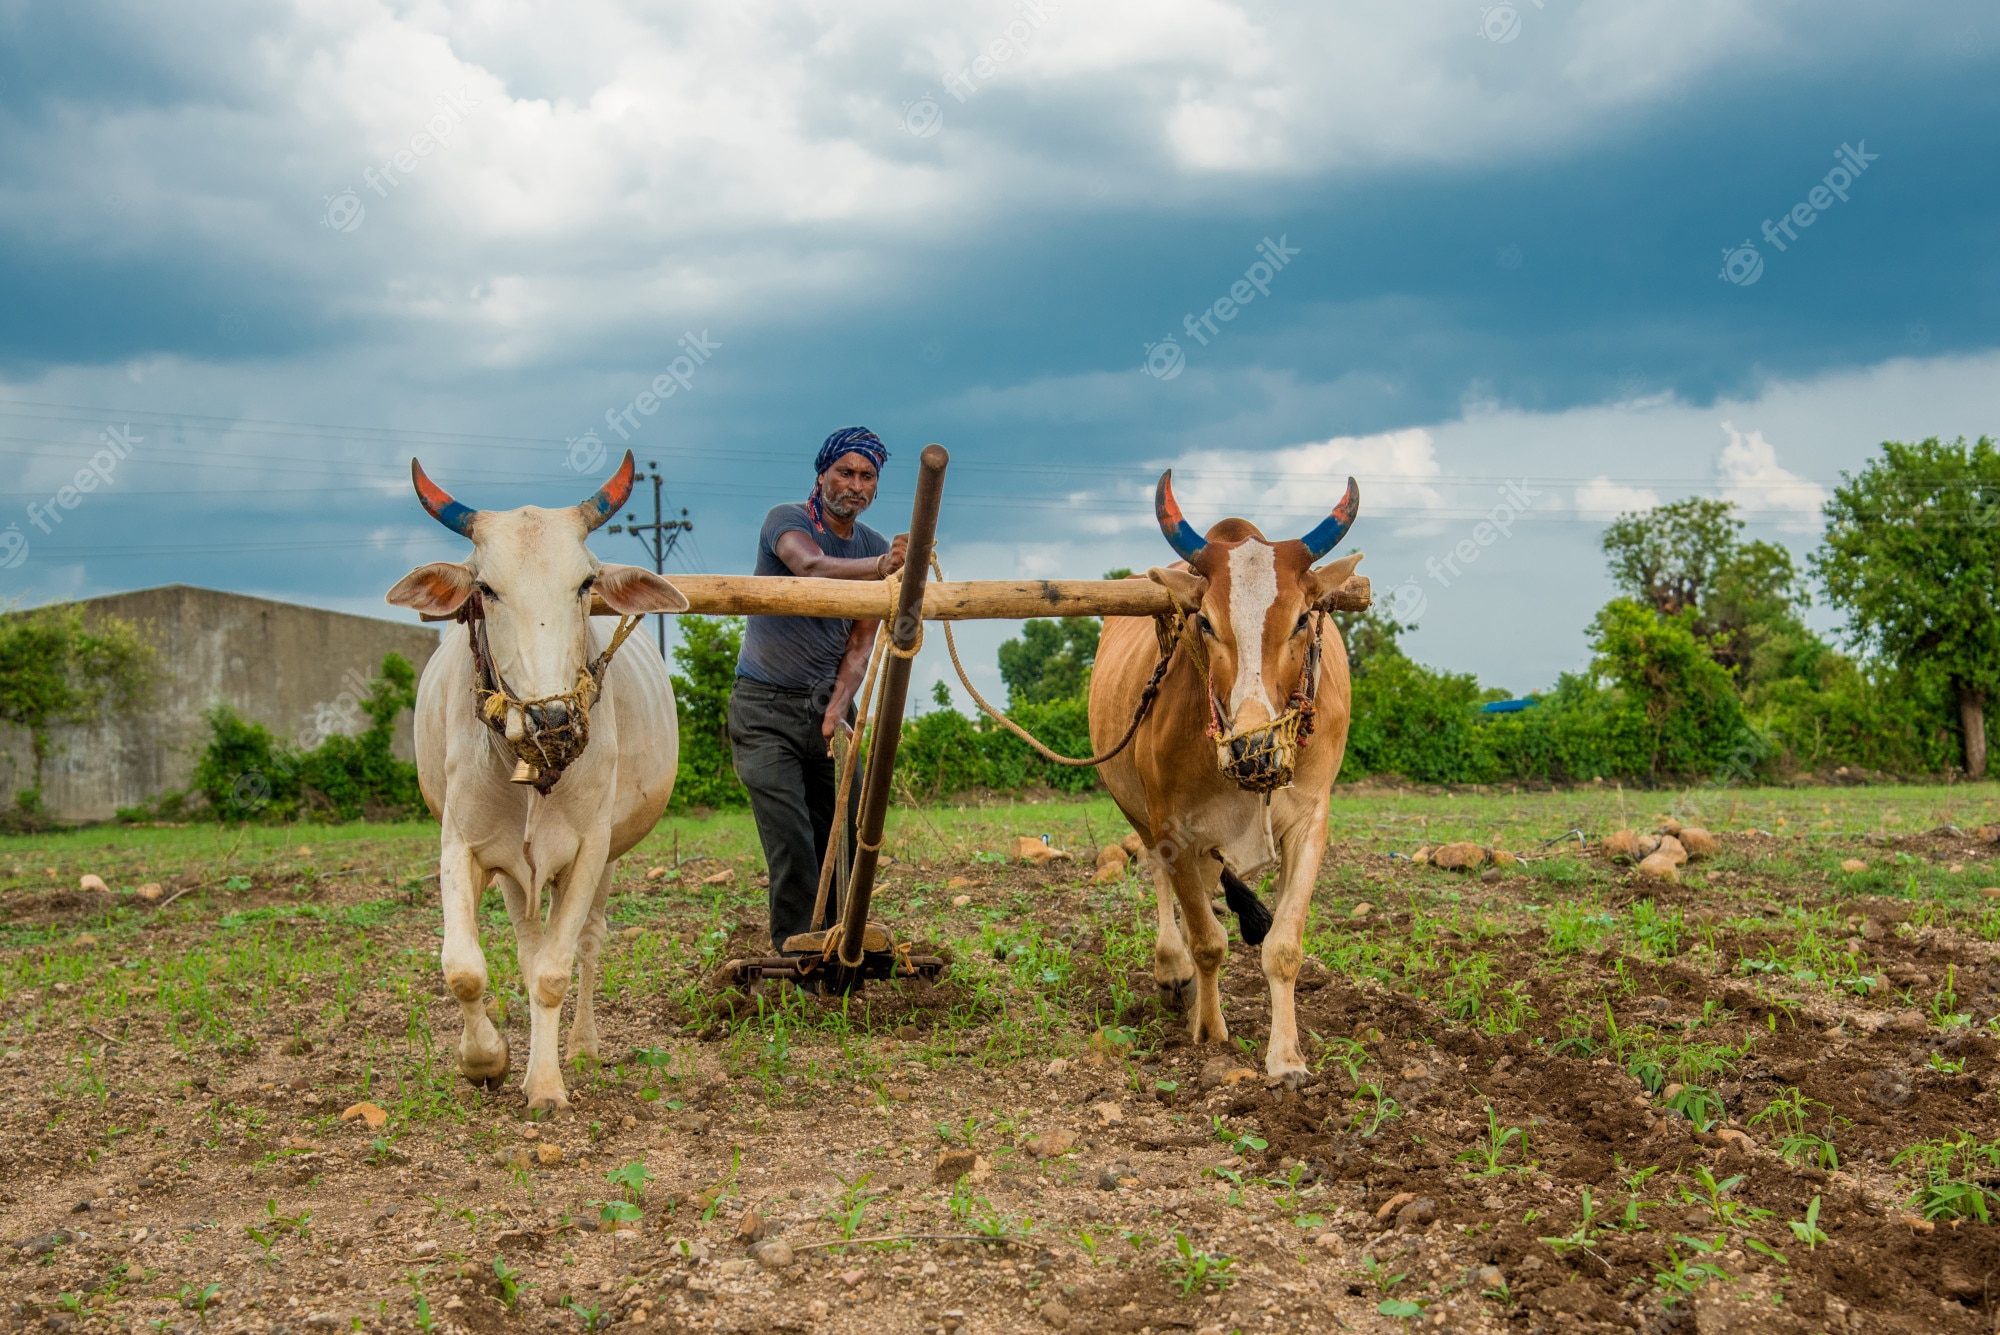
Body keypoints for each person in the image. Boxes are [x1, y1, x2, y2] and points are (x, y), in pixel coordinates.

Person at [730, 427, 909, 956]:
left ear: (875, 486)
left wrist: (836, 709)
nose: (854, 485)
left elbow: (860, 642)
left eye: (866, 476)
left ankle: (838, 944)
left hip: (828, 708)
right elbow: (808, 566)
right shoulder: (787, 521)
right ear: (822, 475)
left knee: (847, 833)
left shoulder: (874, 544)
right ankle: (795, 951)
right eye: (845, 473)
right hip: (763, 708)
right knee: (792, 840)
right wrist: (881, 571)